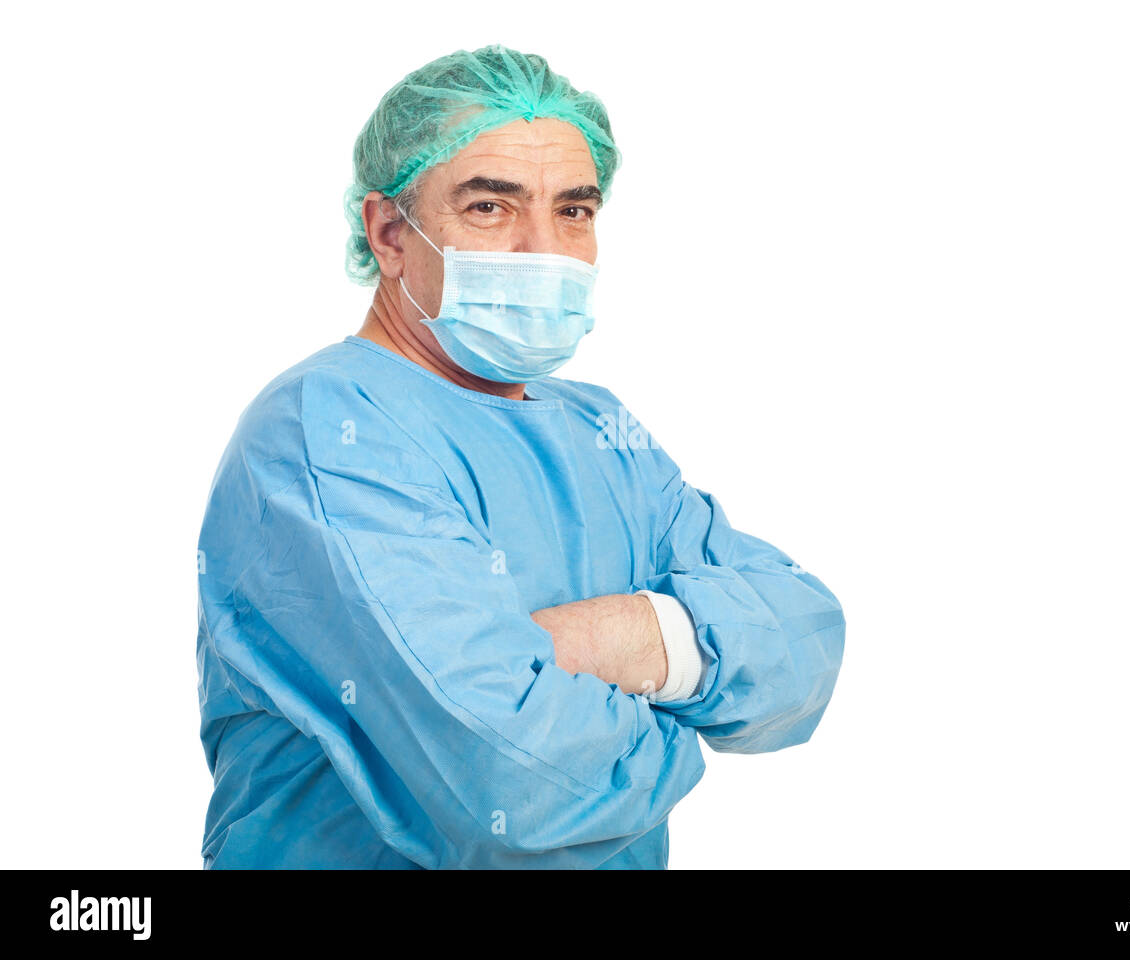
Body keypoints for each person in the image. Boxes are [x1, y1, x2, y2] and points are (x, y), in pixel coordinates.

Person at [196, 44, 845, 869]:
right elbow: (511, 784)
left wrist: (616, 635)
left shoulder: (600, 430)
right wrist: (686, 714)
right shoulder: (322, 430)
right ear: (390, 231)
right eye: (490, 208)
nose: (543, 248)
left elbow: (805, 642)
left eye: (574, 210)